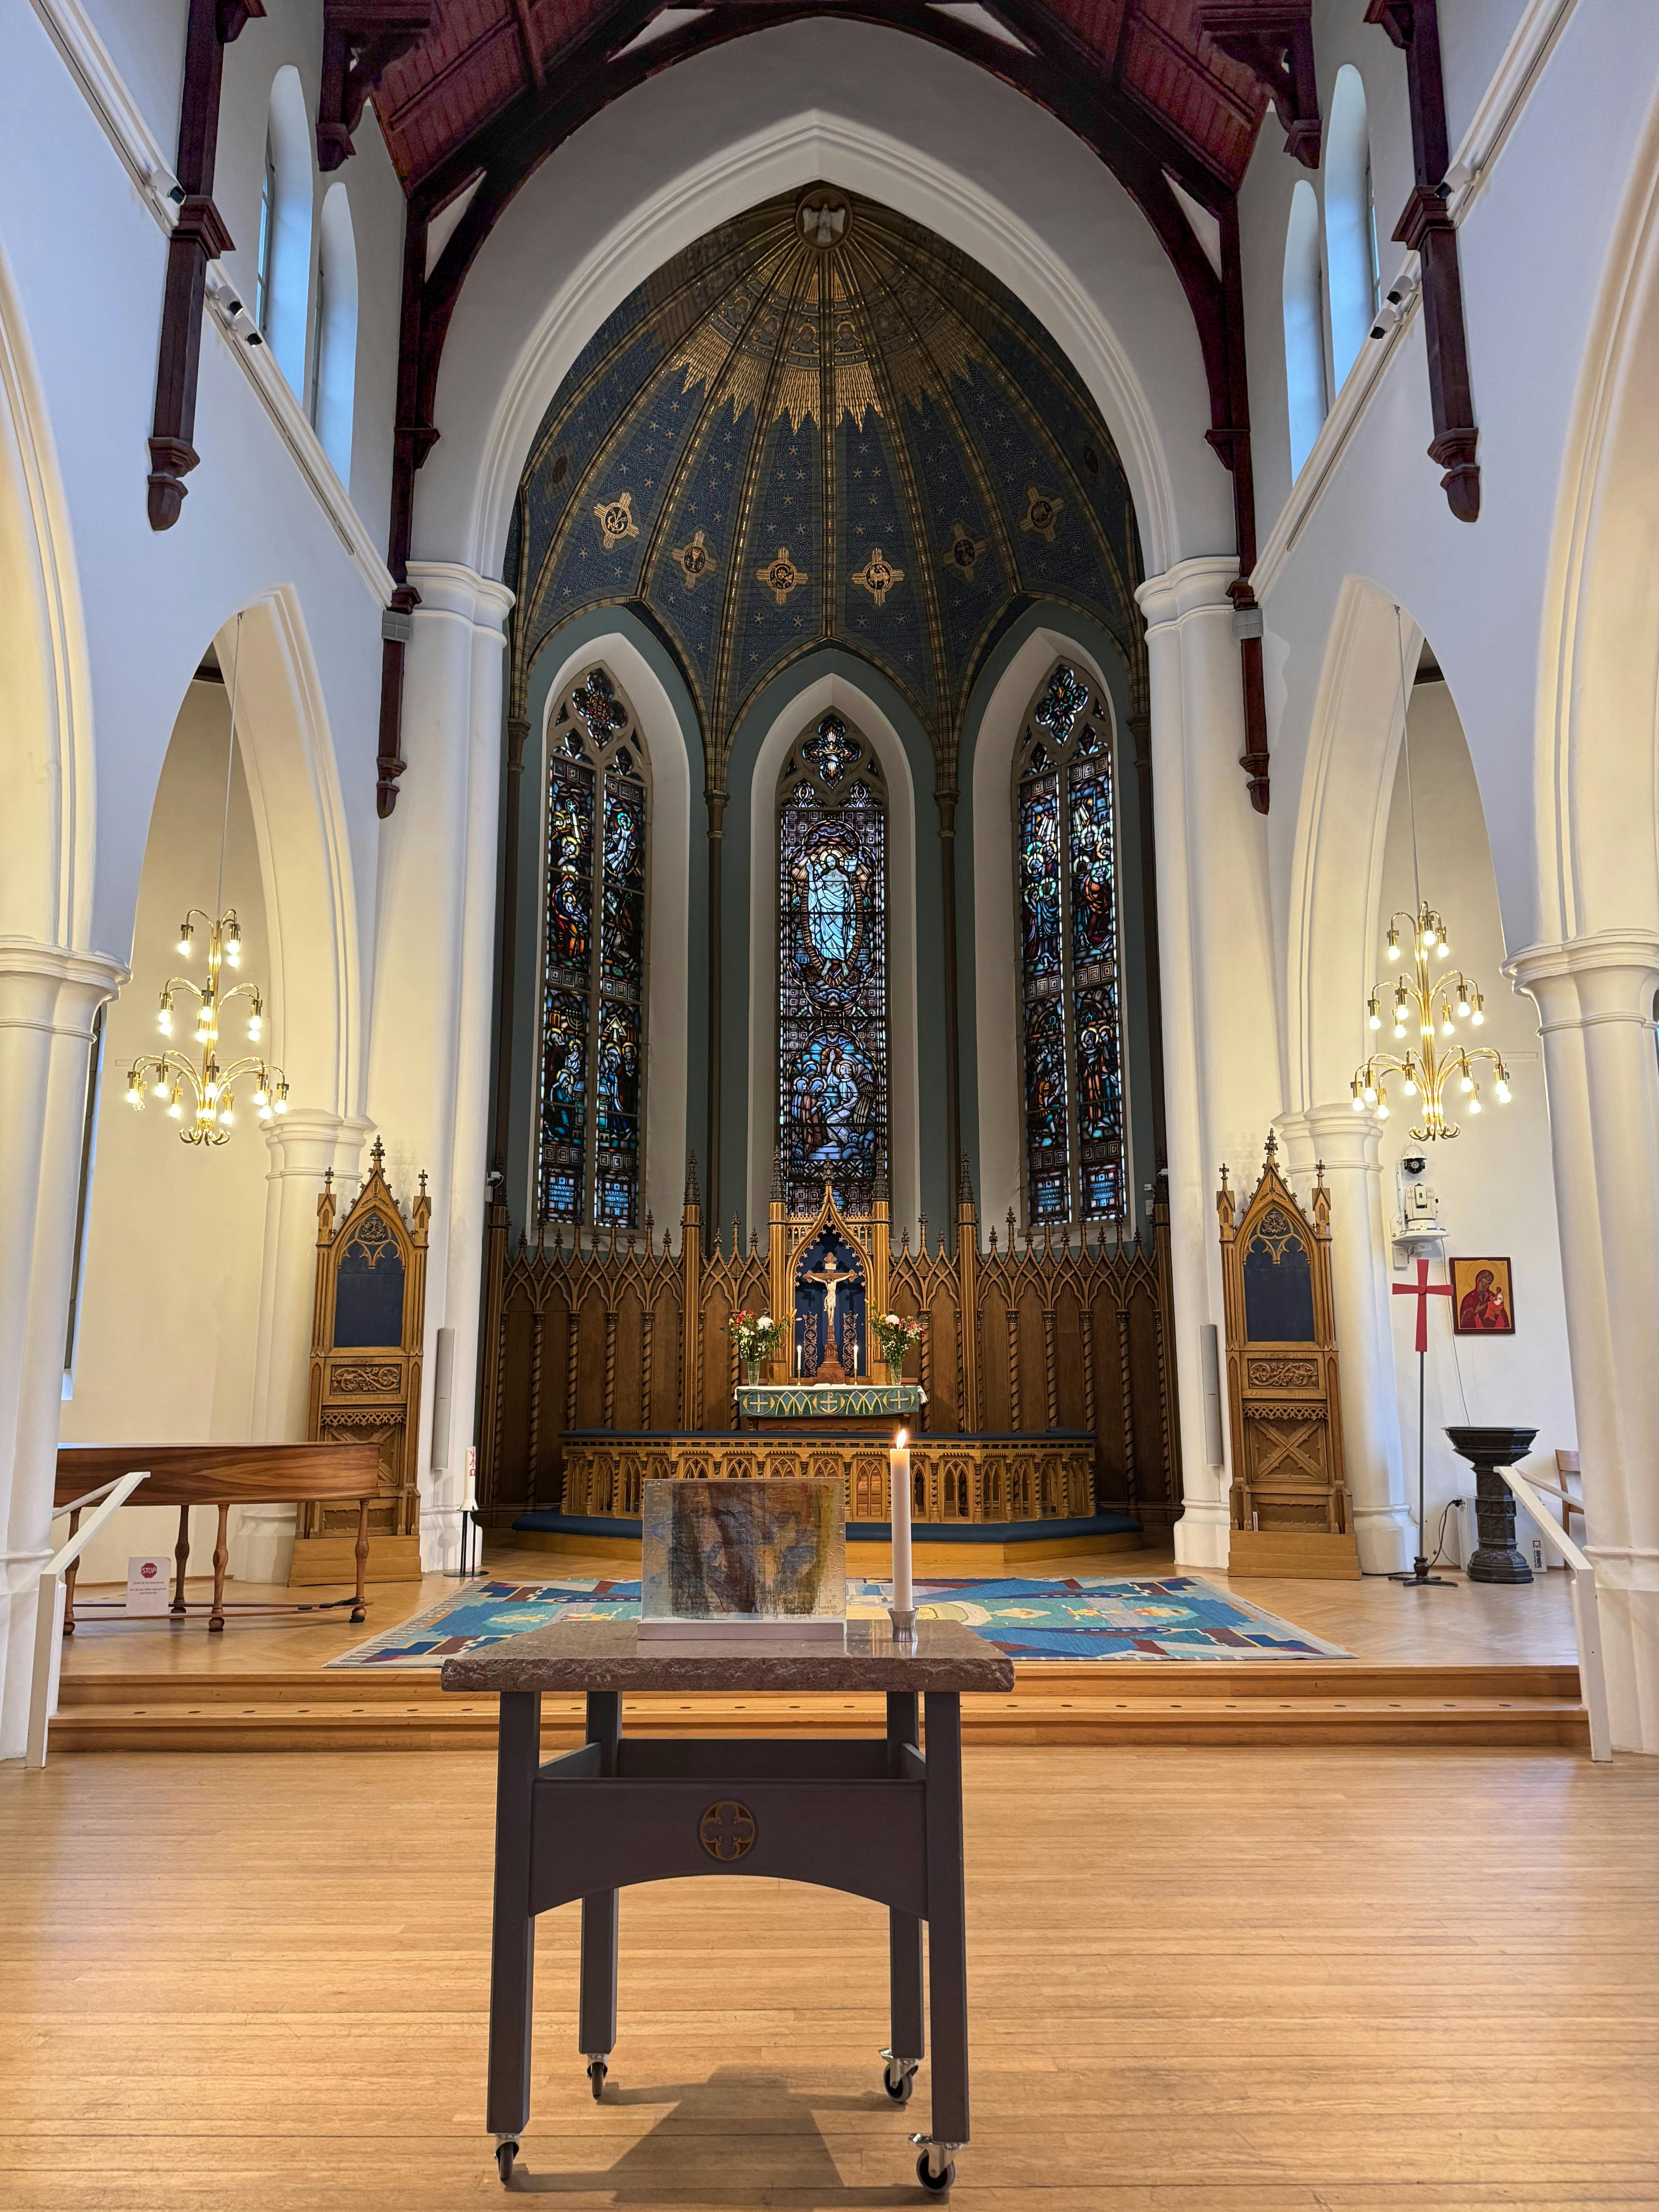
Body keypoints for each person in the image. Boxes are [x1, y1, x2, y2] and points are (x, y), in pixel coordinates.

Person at [1458, 1267, 1510, 1332]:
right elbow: (1464, 1318)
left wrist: (1499, 1313)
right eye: (1485, 1279)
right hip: (1476, 1329)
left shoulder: (1492, 1295)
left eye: (1489, 1280)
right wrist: (1476, 1311)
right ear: (1479, 1279)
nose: (1487, 1281)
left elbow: (1502, 1312)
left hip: (1492, 1330)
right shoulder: (1469, 1297)